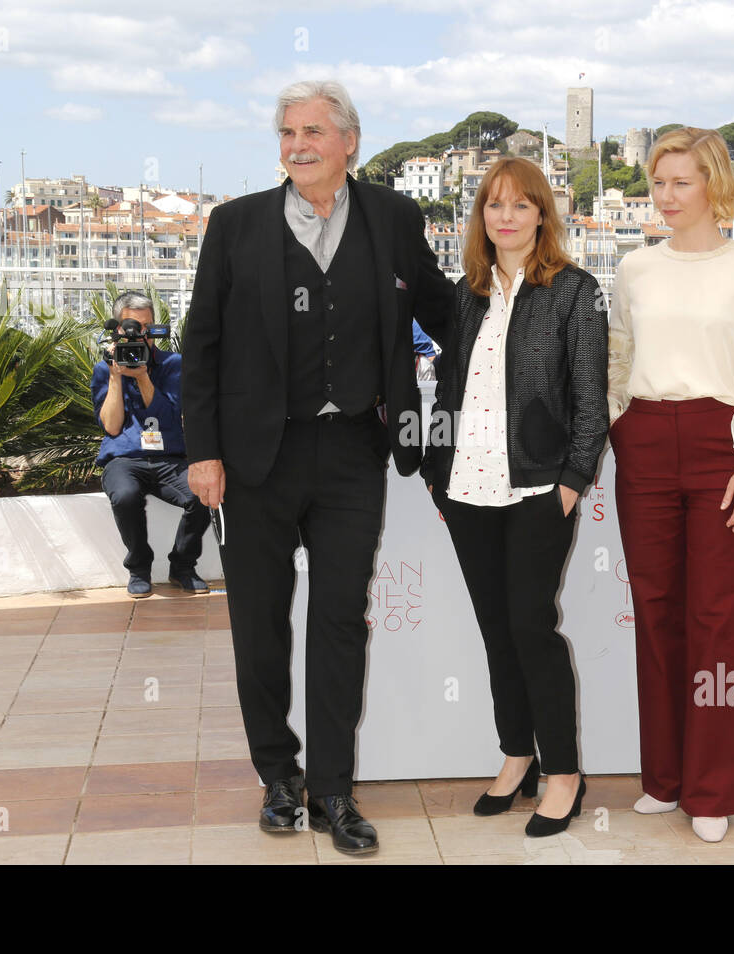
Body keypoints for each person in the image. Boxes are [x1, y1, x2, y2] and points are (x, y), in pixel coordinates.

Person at [181, 80, 455, 856]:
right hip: (253, 457)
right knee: (259, 625)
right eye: (285, 132)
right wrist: (202, 451)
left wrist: (529, 322)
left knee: (340, 622)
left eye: (311, 131)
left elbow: (443, 311)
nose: (296, 145)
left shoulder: (395, 220)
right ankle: (277, 776)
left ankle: (332, 789)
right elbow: (199, 346)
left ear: (349, 141)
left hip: (352, 453)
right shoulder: (234, 225)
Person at [607, 127, 734, 843]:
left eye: (680, 183)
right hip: (646, 441)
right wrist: (618, 430)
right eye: (658, 183)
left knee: (719, 620)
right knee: (654, 609)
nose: (665, 197)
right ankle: (663, 779)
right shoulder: (635, 268)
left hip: (725, 444)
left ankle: (713, 790)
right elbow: (619, 358)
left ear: (714, 185)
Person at [422, 157, 607, 837]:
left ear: (540, 215)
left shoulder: (574, 291)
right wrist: (437, 474)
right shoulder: (467, 294)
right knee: (497, 633)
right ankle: (515, 755)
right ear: (481, 218)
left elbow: (592, 400)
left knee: (531, 628)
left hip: (536, 489)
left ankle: (563, 773)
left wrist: (571, 482)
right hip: (466, 492)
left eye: (520, 205)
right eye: (493, 205)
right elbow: (447, 392)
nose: (505, 217)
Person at [91, 290, 209, 599]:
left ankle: (183, 566)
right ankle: (139, 569)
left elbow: (169, 419)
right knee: (126, 495)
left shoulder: (173, 365)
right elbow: (112, 426)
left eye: (145, 328)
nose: (138, 336)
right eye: (131, 327)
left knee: (203, 494)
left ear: (155, 328)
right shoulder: (105, 369)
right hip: (124, 459)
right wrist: (117, 376)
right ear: (116, 328)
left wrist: (143, 377)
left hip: (169, 457)